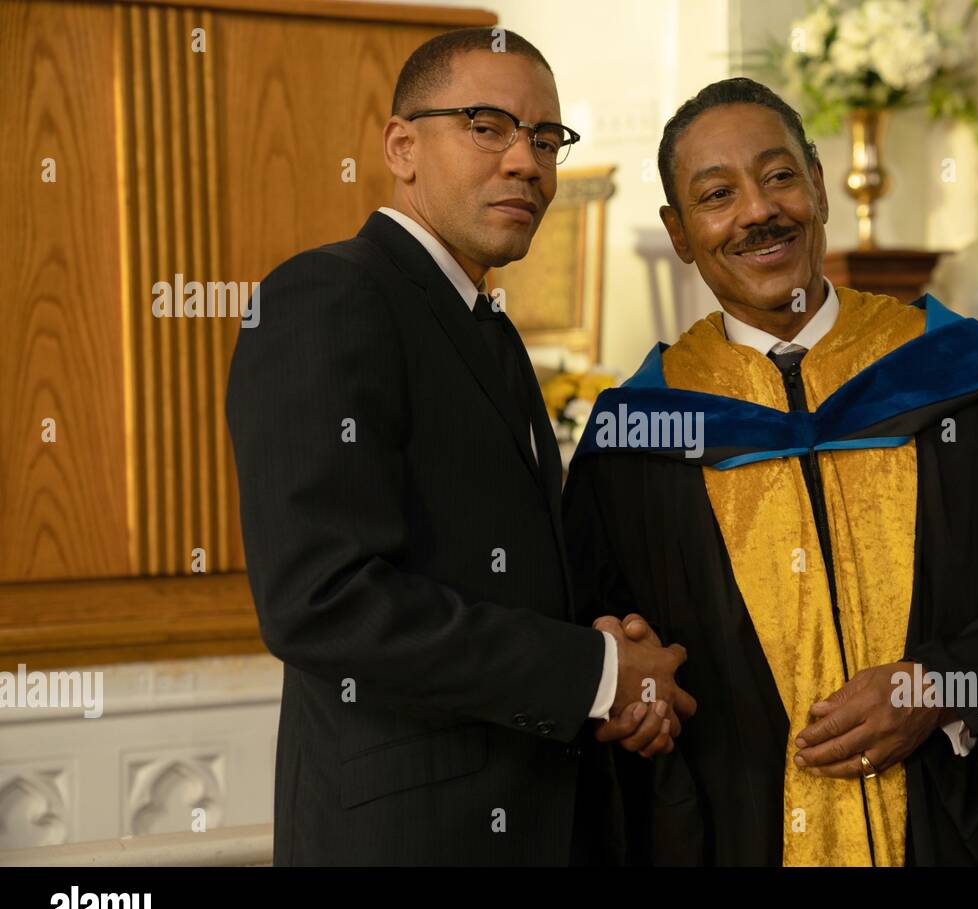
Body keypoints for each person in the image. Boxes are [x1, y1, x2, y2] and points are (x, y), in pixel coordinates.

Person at [563, 78, 978, 866]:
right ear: (680, 232)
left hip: (957, 831)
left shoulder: (962, 382)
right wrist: (621, 688)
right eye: (717, 195)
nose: (757, 211)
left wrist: (943, 685)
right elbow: (583, 646)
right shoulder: (638, 438)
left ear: (818, 184)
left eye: (779, 176)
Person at [225, 28, 693, 866]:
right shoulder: (329, 294)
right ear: (401, 146)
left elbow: (497, 571)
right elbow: (323, 600)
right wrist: (595, 671)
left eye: (546, 138)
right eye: (487, 125)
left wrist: (612, 659)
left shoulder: (488, 328)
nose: (527, 162)